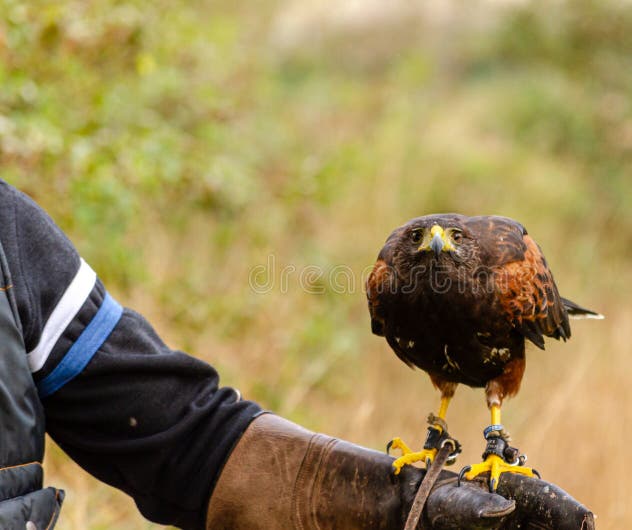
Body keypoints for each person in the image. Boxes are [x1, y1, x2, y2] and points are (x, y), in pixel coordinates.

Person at [0, 179, 593, 530]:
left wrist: (397, 505)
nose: (434, 247)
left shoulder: (12, 240)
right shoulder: (389, 279)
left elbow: (182, 438)